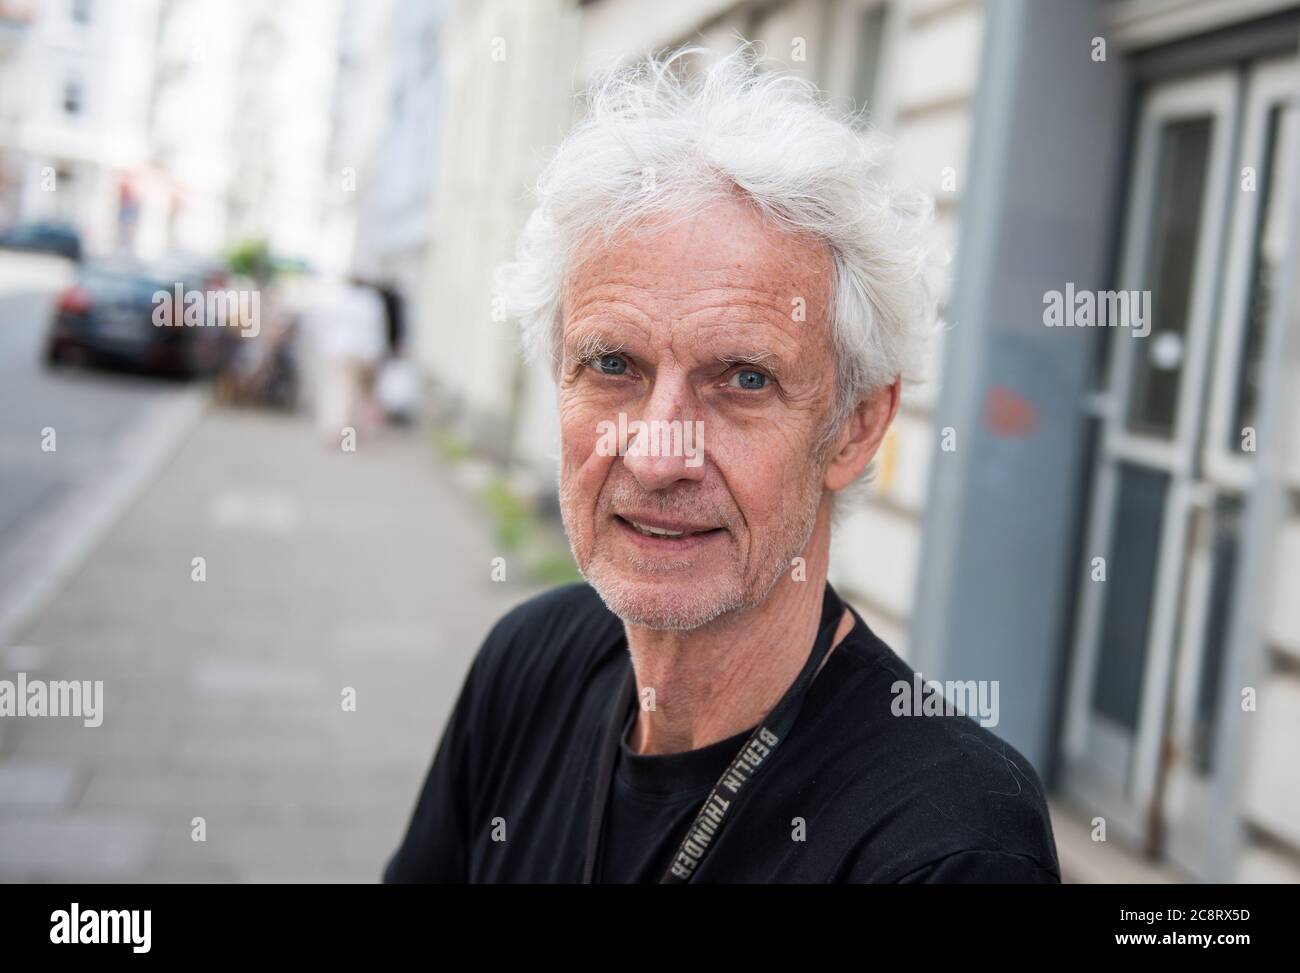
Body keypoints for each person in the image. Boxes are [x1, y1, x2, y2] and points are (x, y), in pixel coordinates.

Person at [384, 45, 1060, 883]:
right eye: (612, 366)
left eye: (744, 379)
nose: (660, 453)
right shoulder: (528, 663)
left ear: (854, 427)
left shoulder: (945, 846)